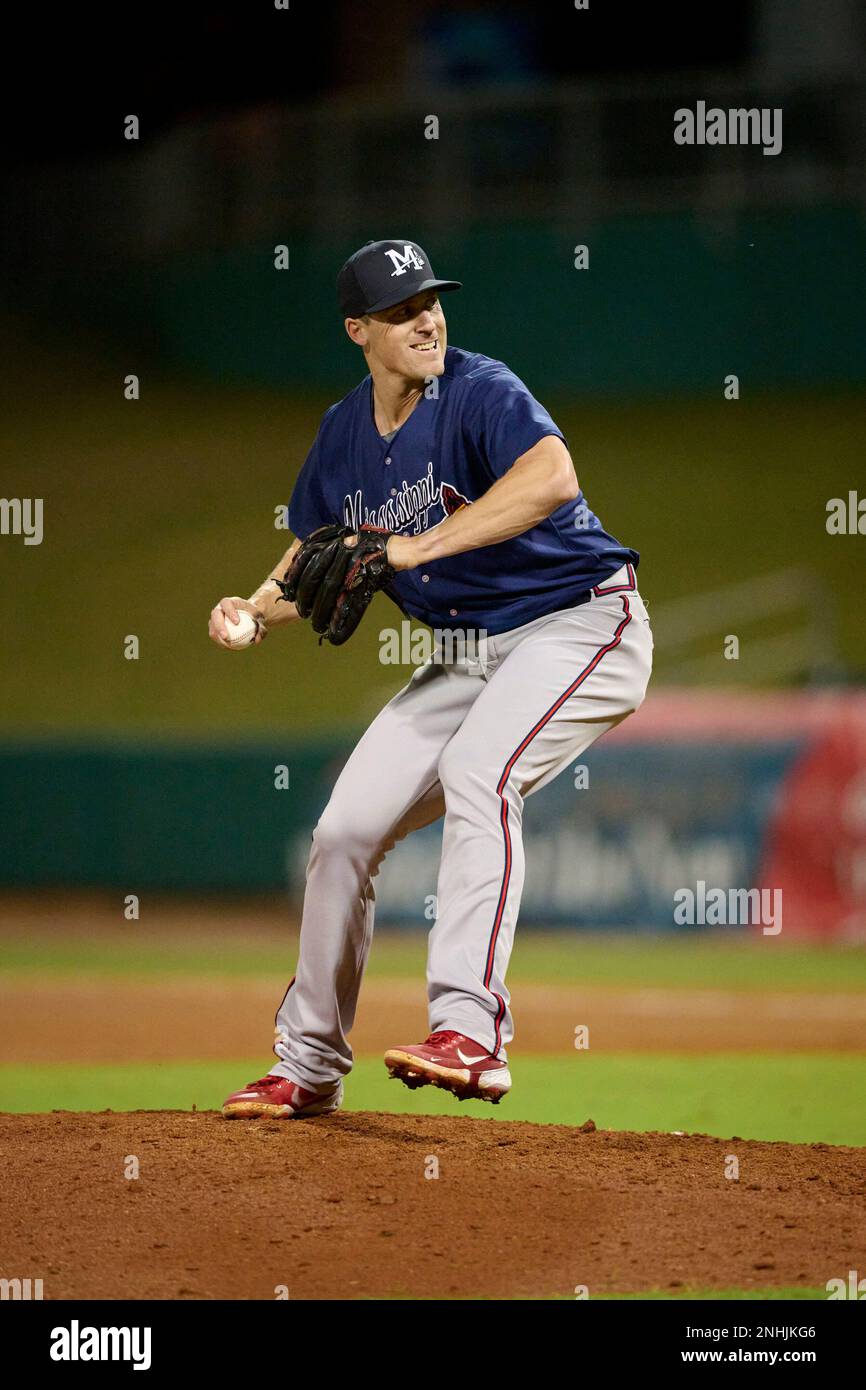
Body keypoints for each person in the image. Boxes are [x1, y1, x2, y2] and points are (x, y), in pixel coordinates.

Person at [211, 238, 653, 1119]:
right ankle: (307, 1065)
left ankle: (471, 1031)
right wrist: (258, 606)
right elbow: (322, 551)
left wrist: (414, 547)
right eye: (402, 310)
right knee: (343, 832)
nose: (427, 319)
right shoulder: (343, 433)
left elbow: (551, 476)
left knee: (480, 773)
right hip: (467, 651)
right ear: (358, 331)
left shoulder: (480, 388)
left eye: (432, 301)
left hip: (580, 618)